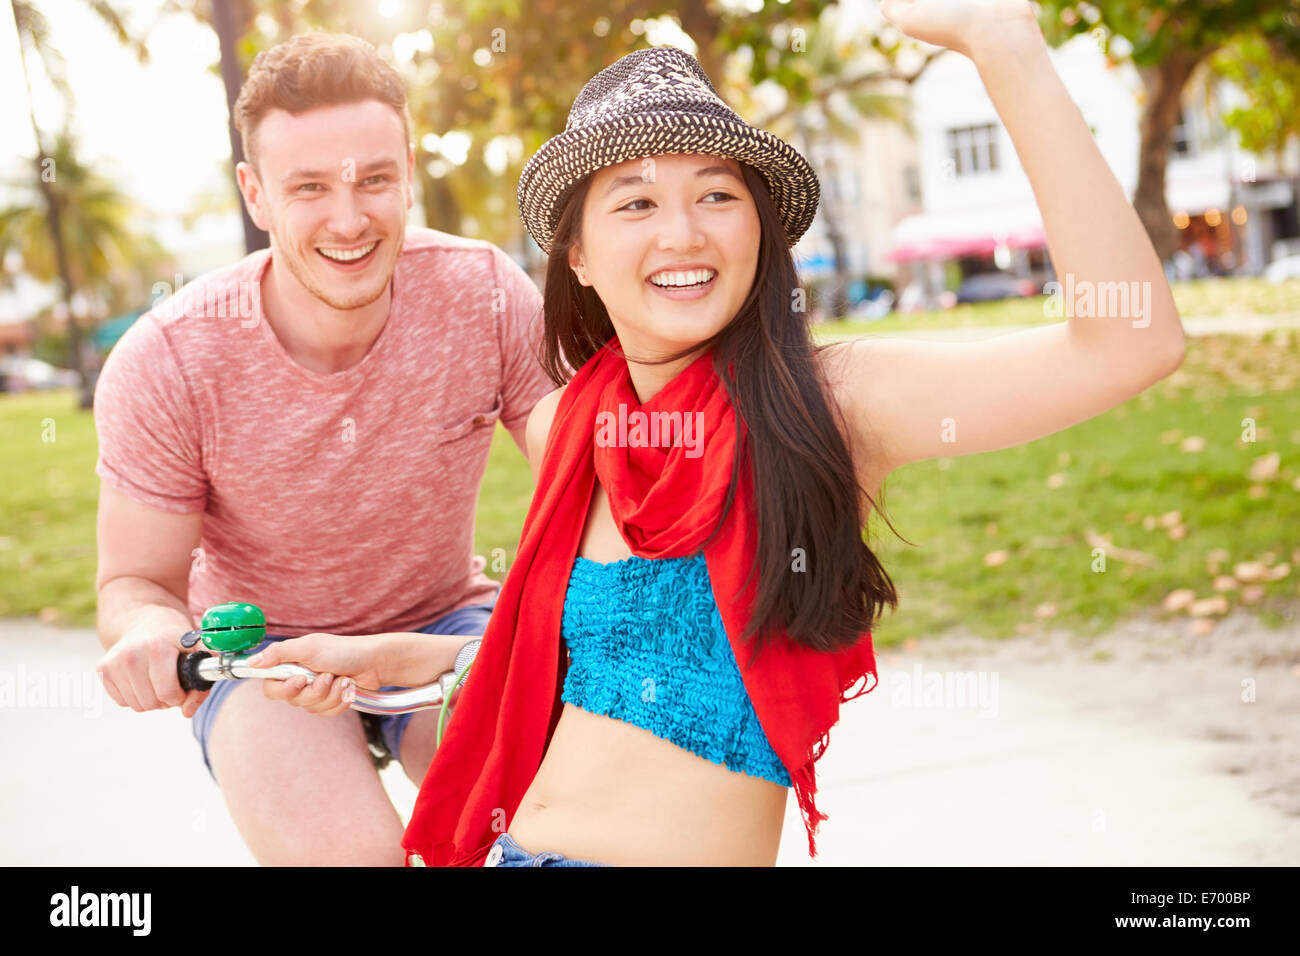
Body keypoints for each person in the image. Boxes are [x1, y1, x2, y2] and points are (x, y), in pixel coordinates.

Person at [254, 0, 1187, 866]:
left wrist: (1005, 45)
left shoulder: (823, 399)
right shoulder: (587, 425)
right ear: (577, 255)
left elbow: (1128, 344)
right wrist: (401, 657)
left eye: (716, 195)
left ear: (759, 228)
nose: (684, 233)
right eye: (635, 203)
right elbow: (591, 664)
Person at [91, 32, 554, 866]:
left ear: (409, 171)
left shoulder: (485, 293)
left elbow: (584, 483)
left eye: (374, 178)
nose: (350, 219)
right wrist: (153, 633)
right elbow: (137, 582)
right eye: (309, 187)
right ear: (255, 194)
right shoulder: (167, 359)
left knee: (546, 826)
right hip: (261, 661)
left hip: (442, 625)